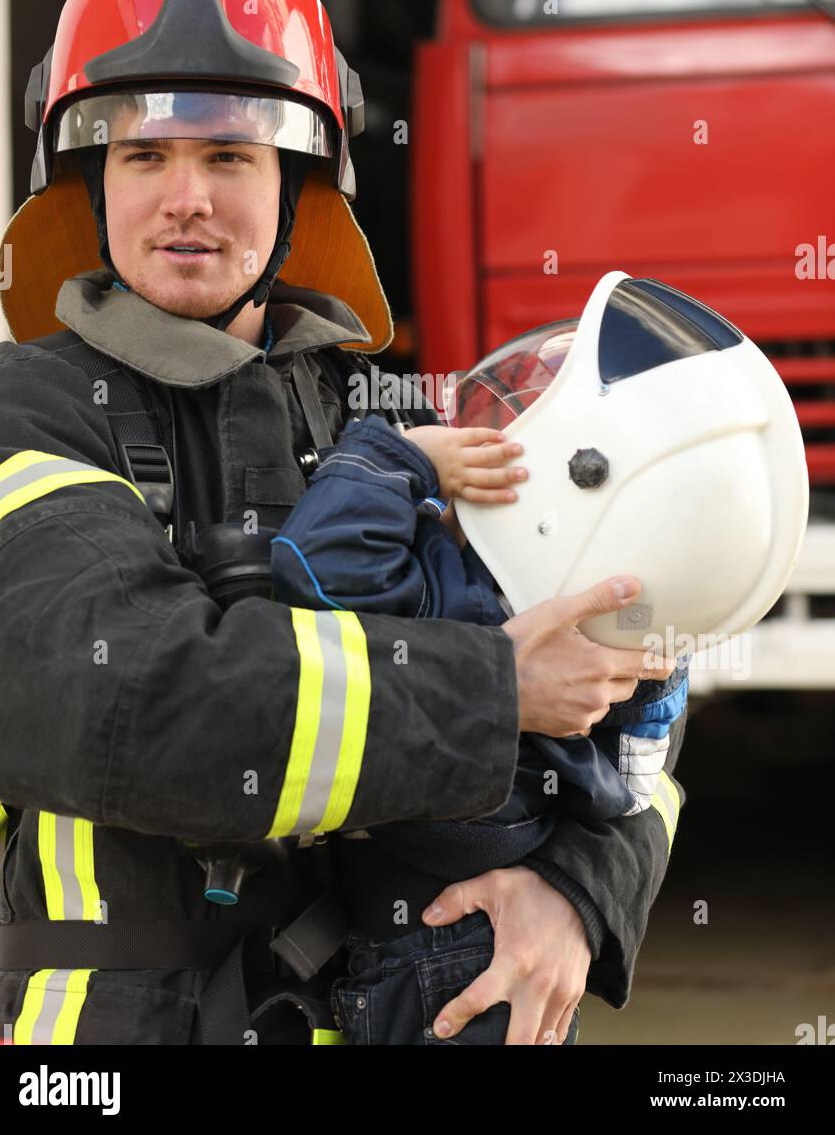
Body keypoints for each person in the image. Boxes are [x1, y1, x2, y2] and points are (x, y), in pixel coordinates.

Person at [0, 0, 683, 1046]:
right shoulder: (20, 415)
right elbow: (134, 711)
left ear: (304, 186)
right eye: (143, 156)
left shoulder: (380, 427)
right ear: (86, 187)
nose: (184, 196)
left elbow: (621, 685)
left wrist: (577, 891)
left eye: (229, 156)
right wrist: (489, 690)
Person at [269, 406, 689, 1045]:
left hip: (443, 940)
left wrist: (398, 457)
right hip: (489, 930)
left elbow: (315, 567)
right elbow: (634, 783)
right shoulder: (595, 623)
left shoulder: (452, 594)